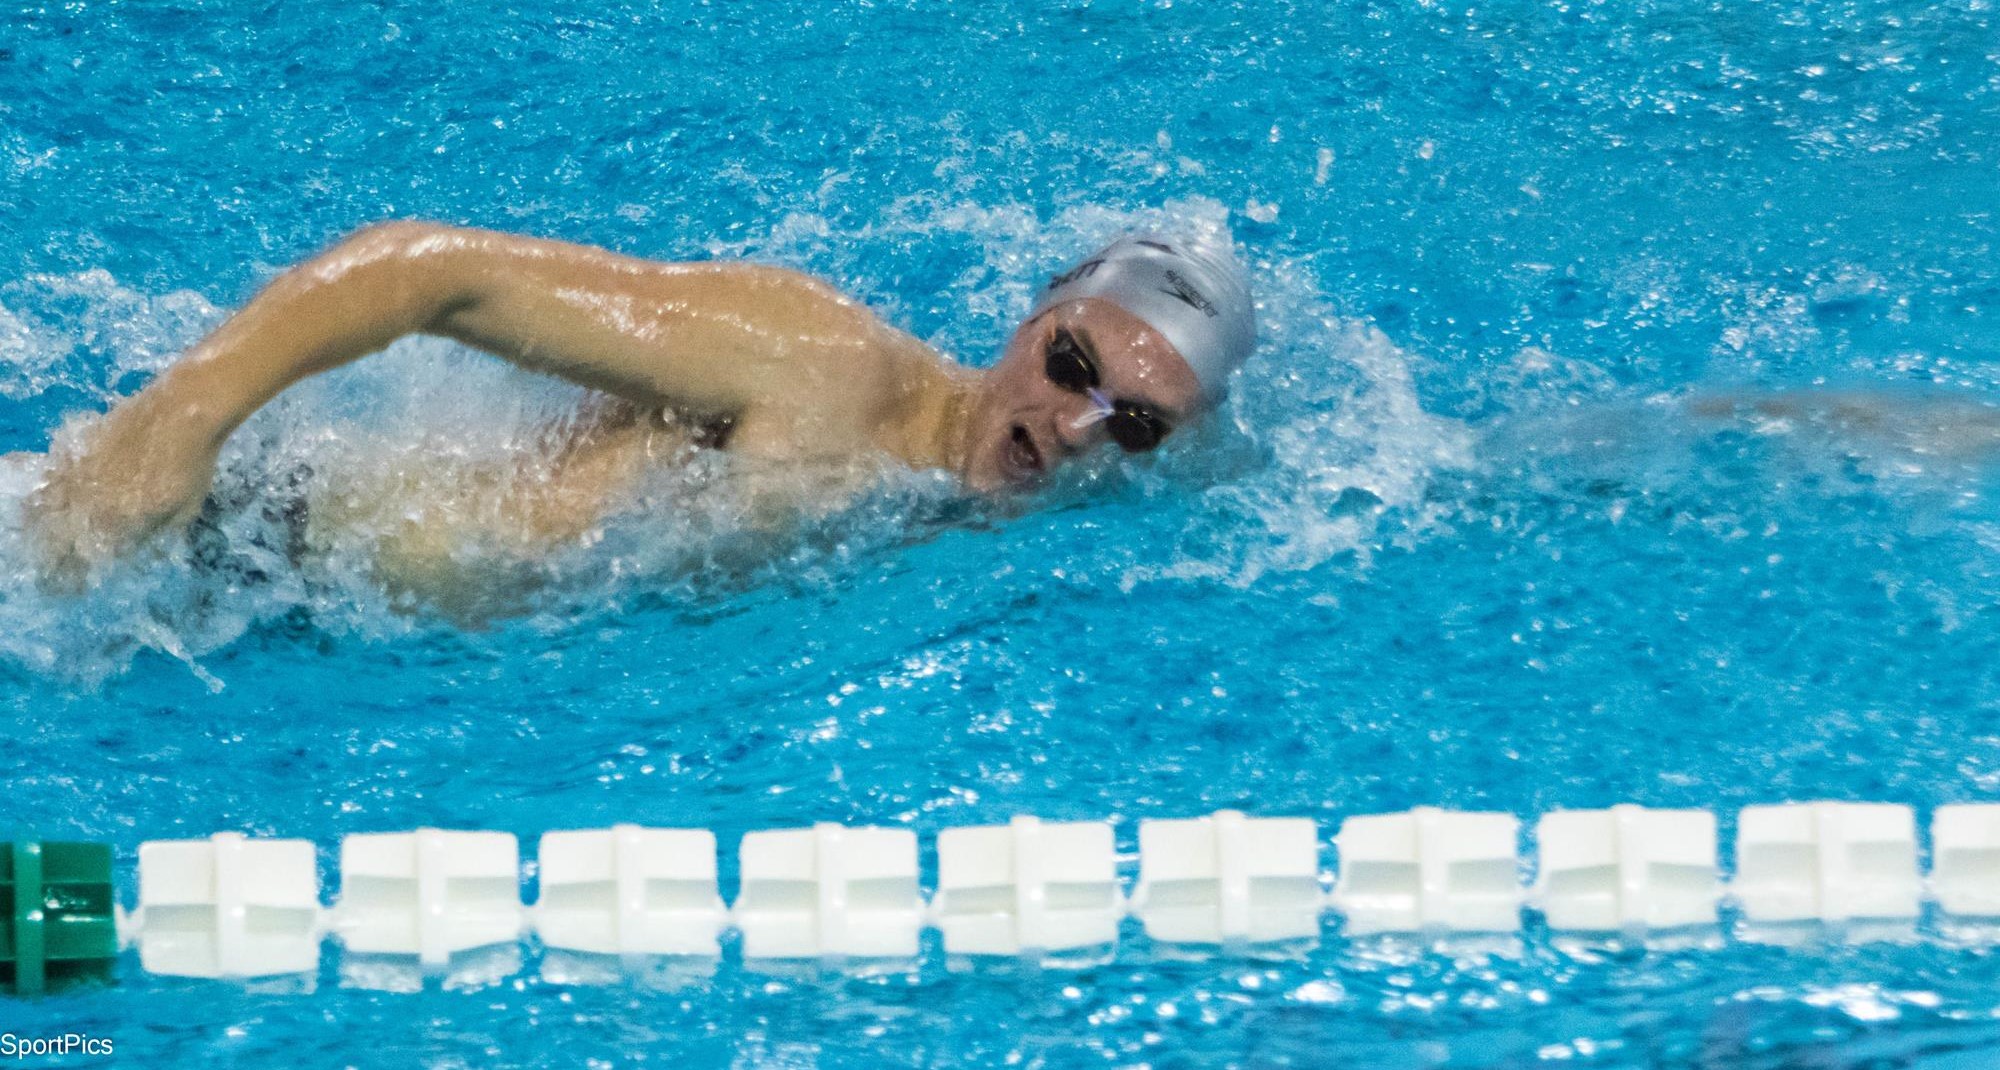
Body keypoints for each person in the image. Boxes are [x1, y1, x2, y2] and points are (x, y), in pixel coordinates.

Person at [20, 223, 1258, 612]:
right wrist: (163, 432)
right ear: (1031, 309)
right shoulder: (813, 360)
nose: (1077, 422)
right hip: (233, 540)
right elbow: (421, 270)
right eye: (1071, 358)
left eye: (1134, 424)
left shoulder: (961, 510)